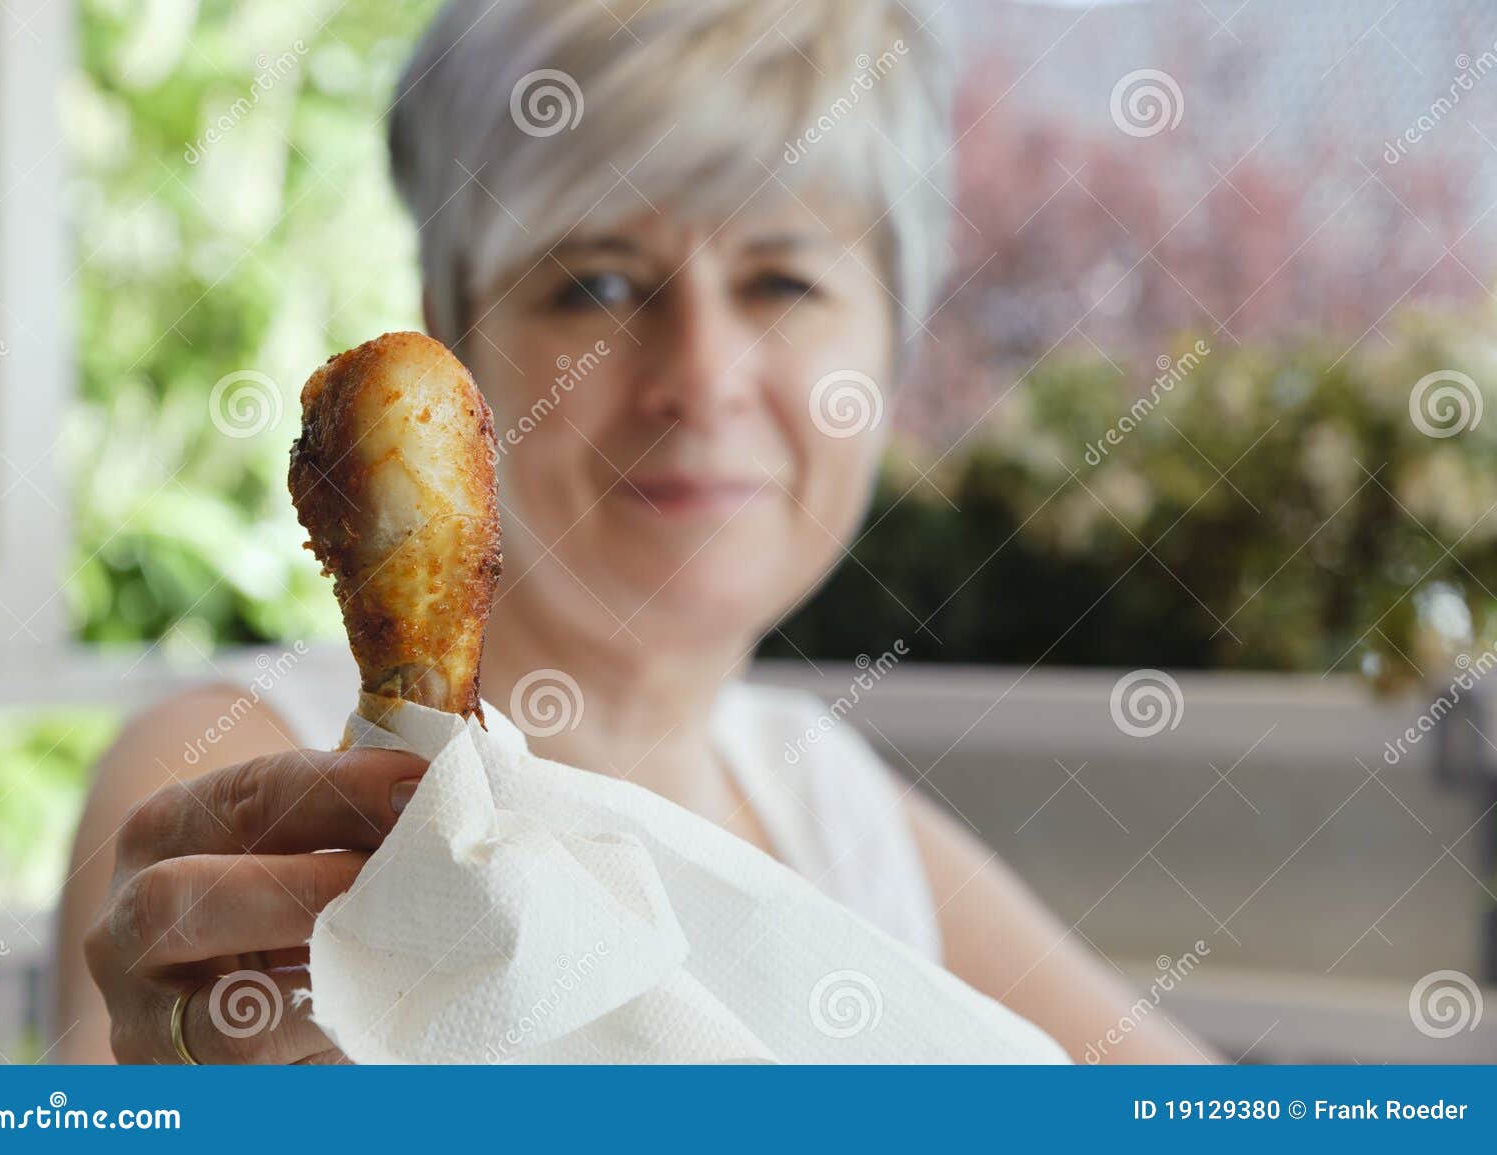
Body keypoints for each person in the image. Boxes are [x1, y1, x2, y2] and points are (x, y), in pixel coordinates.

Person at [59, 0, 1210, 1064]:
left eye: (782, 284)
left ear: (892, 343)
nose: (701, 379)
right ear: (456, 350)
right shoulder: (250, 782)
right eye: (597, 288)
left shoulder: (830, 804)